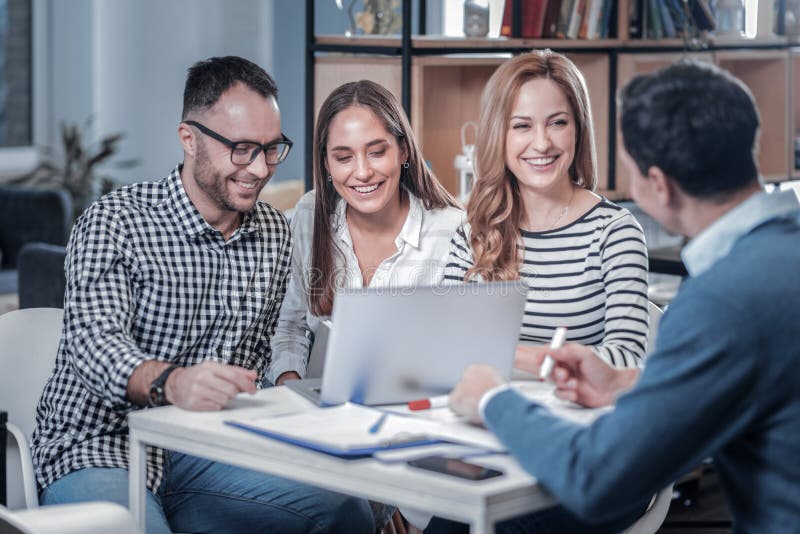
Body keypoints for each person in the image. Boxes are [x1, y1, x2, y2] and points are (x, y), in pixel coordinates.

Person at [449, 60, 800, 531]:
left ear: (659, 186)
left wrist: (494, 399)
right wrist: (625, 383)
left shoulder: (721, 301)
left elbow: (598, 477)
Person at [31, 56, 374, 534]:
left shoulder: (274, 234)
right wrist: (172, 383)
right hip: (100, 447)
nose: (260, 168)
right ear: (189, 139)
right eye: (242, 149)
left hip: (210, 451)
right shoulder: (116, 221)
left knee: (346, 510)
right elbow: (94, 344)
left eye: (272, 149)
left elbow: (260, 355)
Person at [443, 50, 649, 375]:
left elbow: (627, 359)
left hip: (574, 405)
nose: (541, 143)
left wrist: (518, 357)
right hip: (484, 401)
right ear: (499, 135)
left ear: (578, 129)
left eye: (557, 123)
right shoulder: (473, 231)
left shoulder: (615, 232)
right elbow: (444, 343)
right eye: (522, 126)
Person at [268, 80, 464, 387]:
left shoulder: (451, 229)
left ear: (403, 150)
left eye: (376, 152)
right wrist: (292, 389)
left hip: (412, 403)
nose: (362, 173)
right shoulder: (309, 214)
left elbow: (457, 347)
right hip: (317, 404)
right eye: (343, 157)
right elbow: (290, 326)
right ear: (326, 163)